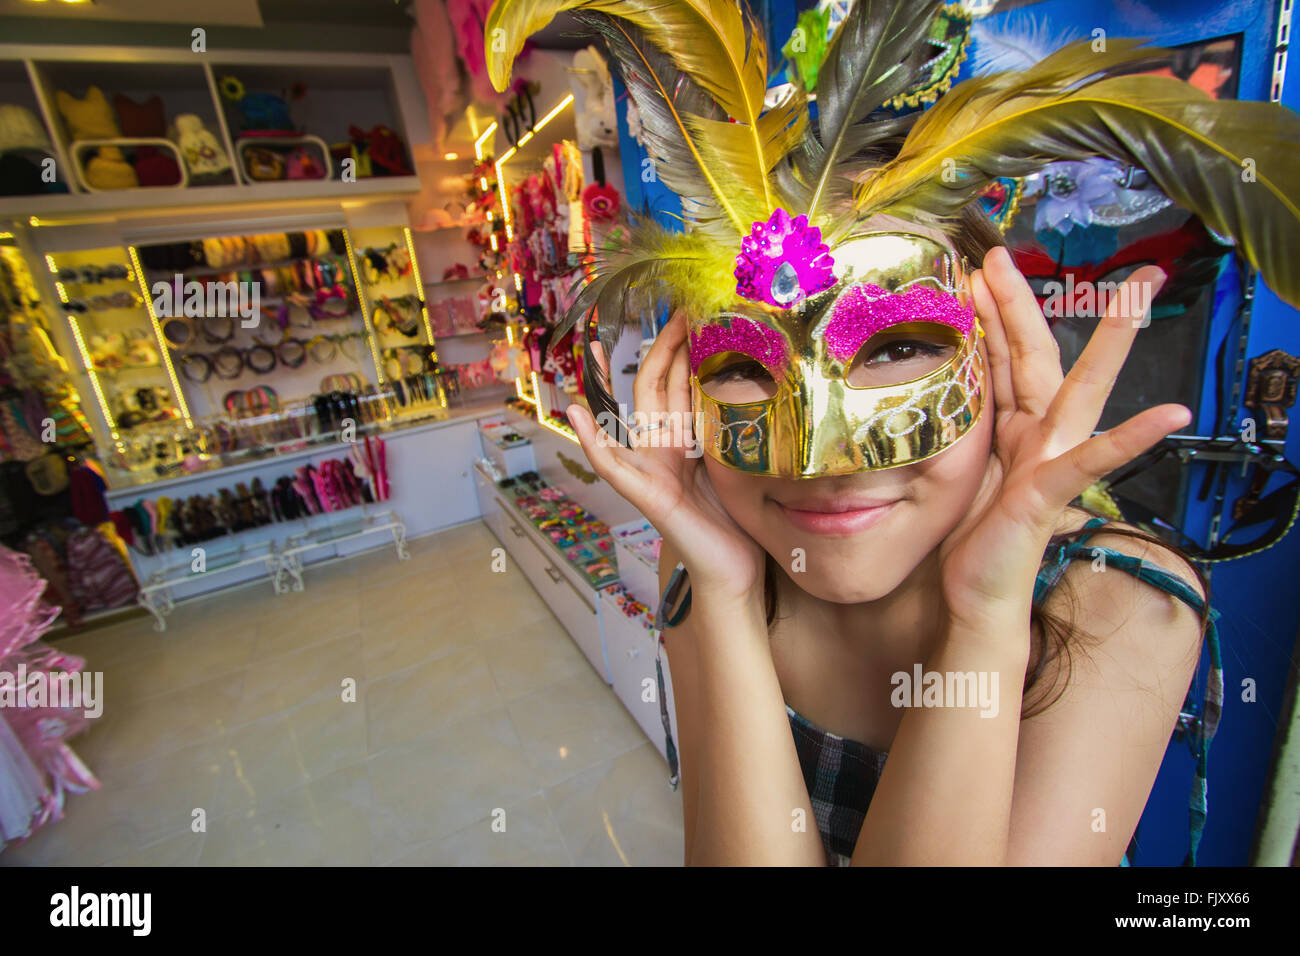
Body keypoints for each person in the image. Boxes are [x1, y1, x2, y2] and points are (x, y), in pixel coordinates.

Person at [484, 0, 1299, 865]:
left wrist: (985, 620)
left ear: (997, 357)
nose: (820, 456)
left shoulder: (1116, 605)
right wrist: (721, 600)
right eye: (743, 365)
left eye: (899, 347)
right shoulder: (714, 553)